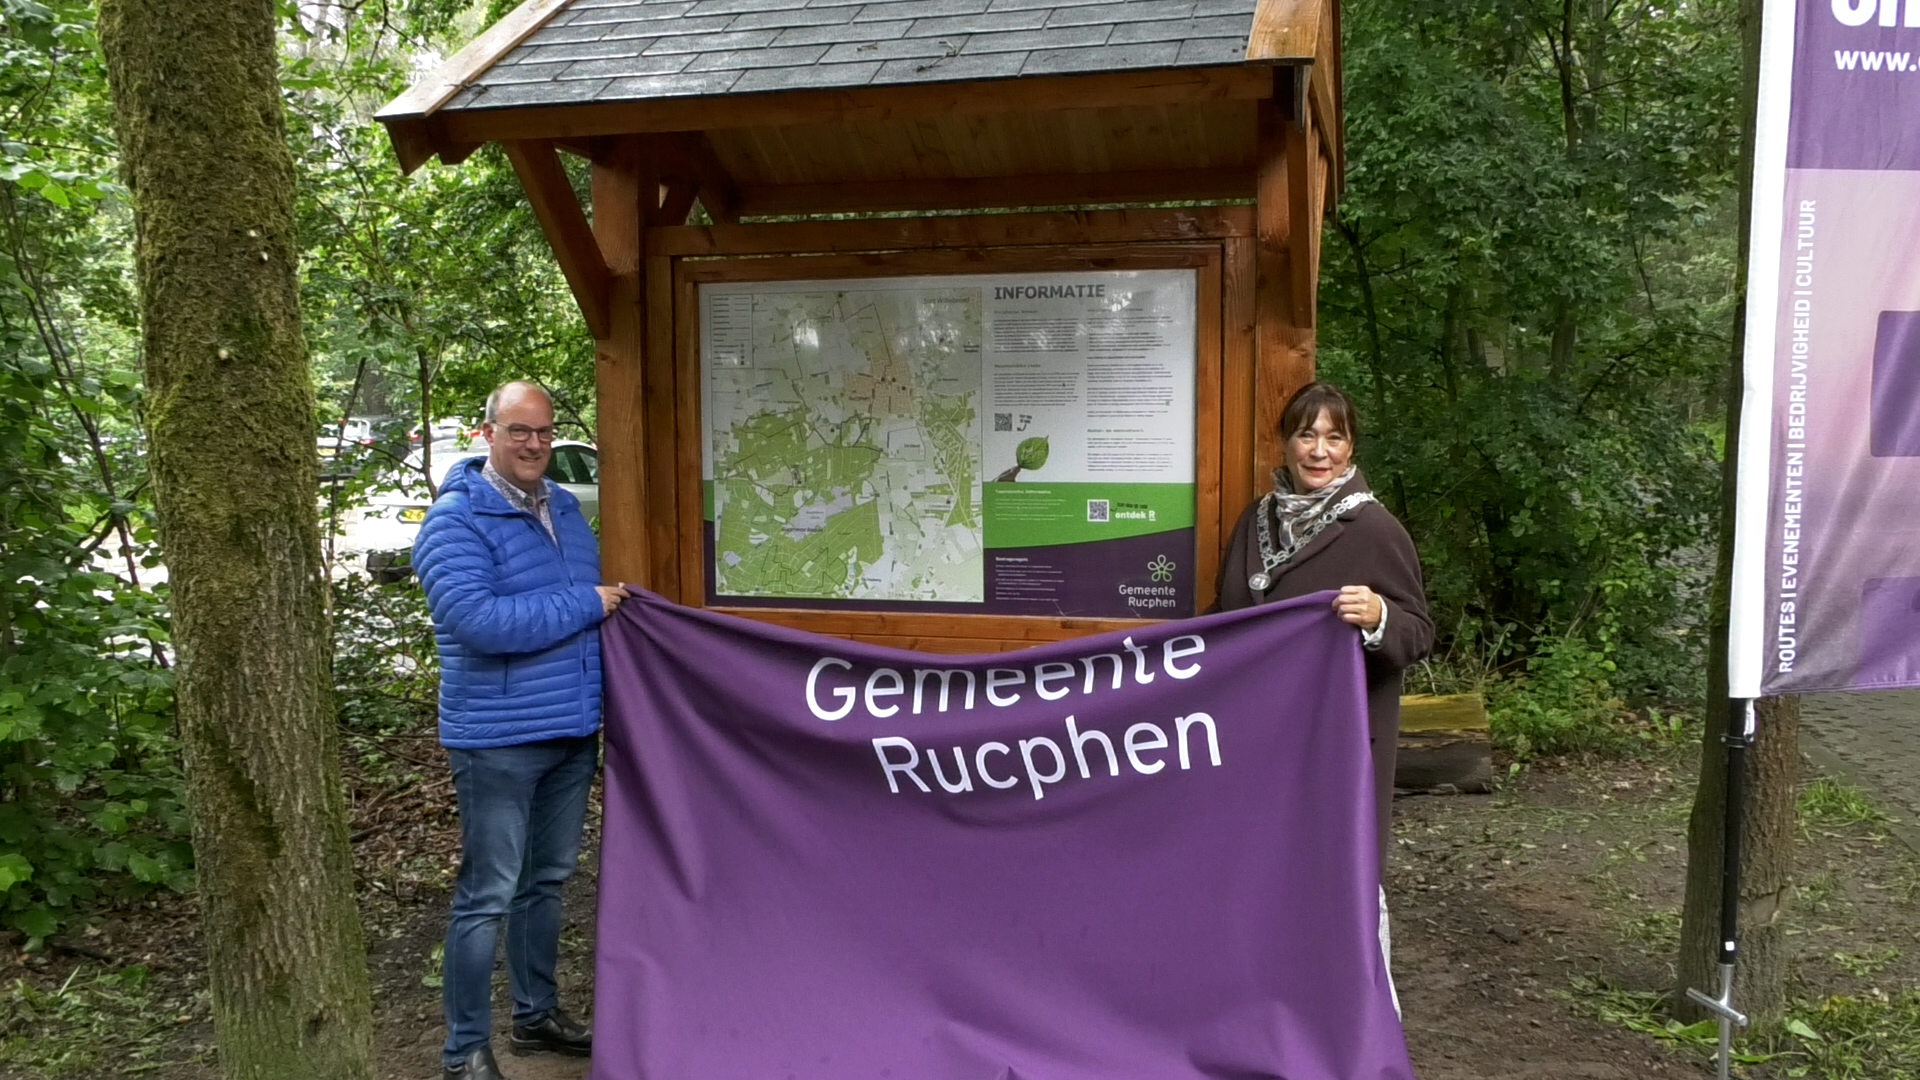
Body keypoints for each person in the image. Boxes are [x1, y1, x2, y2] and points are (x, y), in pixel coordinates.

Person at [412, 381, 626, 1080]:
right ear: (488, 435)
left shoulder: (564, 506)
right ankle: (465, 1049)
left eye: (542, 432)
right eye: (518, 431)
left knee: (548, 882)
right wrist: (585, 603)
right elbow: (480, 623)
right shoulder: (455, 521)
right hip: (498, 741)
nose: (534, 444)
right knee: (488, 893)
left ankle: (536, 1016)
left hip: (570, 730)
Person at [1214, 381, 1433, 869]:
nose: (1318, 452)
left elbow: (1418, 631)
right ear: (1285, 441)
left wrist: (1381, 617)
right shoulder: (1254, 521)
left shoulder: (1375, 529)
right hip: (1255, 737)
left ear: (1350, 446)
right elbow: (1223, 617)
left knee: (1326, 872)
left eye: (1334, 438)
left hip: (1335, 747)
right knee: (1255, 868)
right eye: (1305, 435)